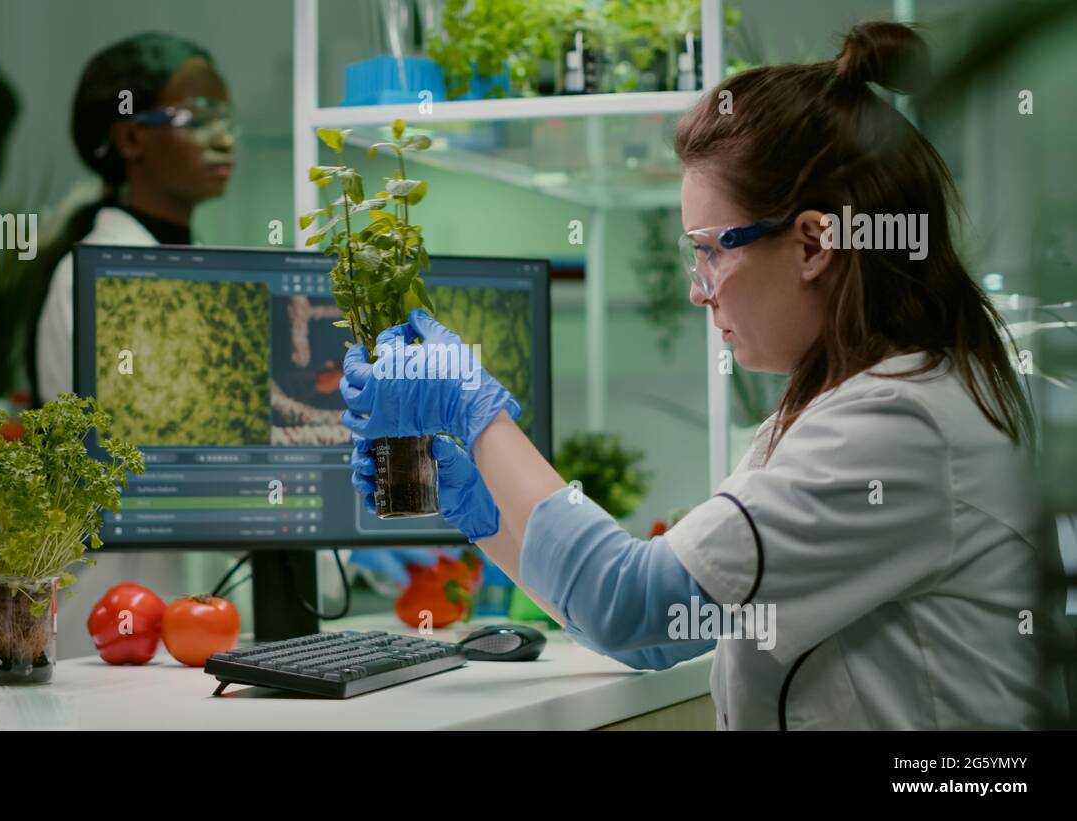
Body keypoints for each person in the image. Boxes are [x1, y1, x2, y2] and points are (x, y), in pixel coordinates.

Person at [340, 22, 1073, 729]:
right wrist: (480, 506)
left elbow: (625, 600)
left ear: (815, 241)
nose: (698, 288)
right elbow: (657, 631)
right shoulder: (843, 406)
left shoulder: (897, 426)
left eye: (711, 249)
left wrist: (476, 410)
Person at [30, 32, 236, 404]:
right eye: (197, 118)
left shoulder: (211, 269)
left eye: (225, 120)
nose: (225, 140)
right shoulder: (88, 278)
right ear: (130, 139)